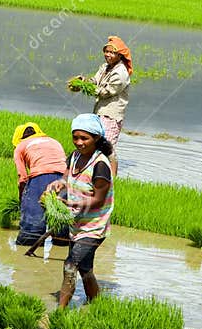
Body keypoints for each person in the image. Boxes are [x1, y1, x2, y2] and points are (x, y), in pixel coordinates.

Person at [46, 113, 115, 309]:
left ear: (97, 138)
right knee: (85, 269)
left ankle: (60, 312)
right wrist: (57, 185)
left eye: (84, 138)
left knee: (70, 265)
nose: (79, 142)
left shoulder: (100, 165)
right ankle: (96, 305)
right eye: (75, 137)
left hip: (94, 227)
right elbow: (65, 178)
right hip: (77, 224)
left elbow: (99, 200)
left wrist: (69, 206)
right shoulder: (75, 157)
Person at [74, 35, 132, 175]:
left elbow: (107, 92)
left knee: (107, 147)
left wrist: (87, 88)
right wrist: (84, 81)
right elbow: (95, 80)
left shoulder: (121, 73)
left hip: (111, 115)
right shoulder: (105, 67)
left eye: (112, 52)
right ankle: (94, 173)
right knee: (96, 144)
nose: (108, 55)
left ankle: (112, 176)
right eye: (107, 51)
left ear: (120, 55)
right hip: (99, 112)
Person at [12, 122, 68, 245]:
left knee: (32, 230)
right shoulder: (54, 141)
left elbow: (22, 178)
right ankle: (61, 244)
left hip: (39, 178)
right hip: (63, 180)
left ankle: (28, 250)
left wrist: (23, 199)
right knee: (61, 224)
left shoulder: (20, 147)